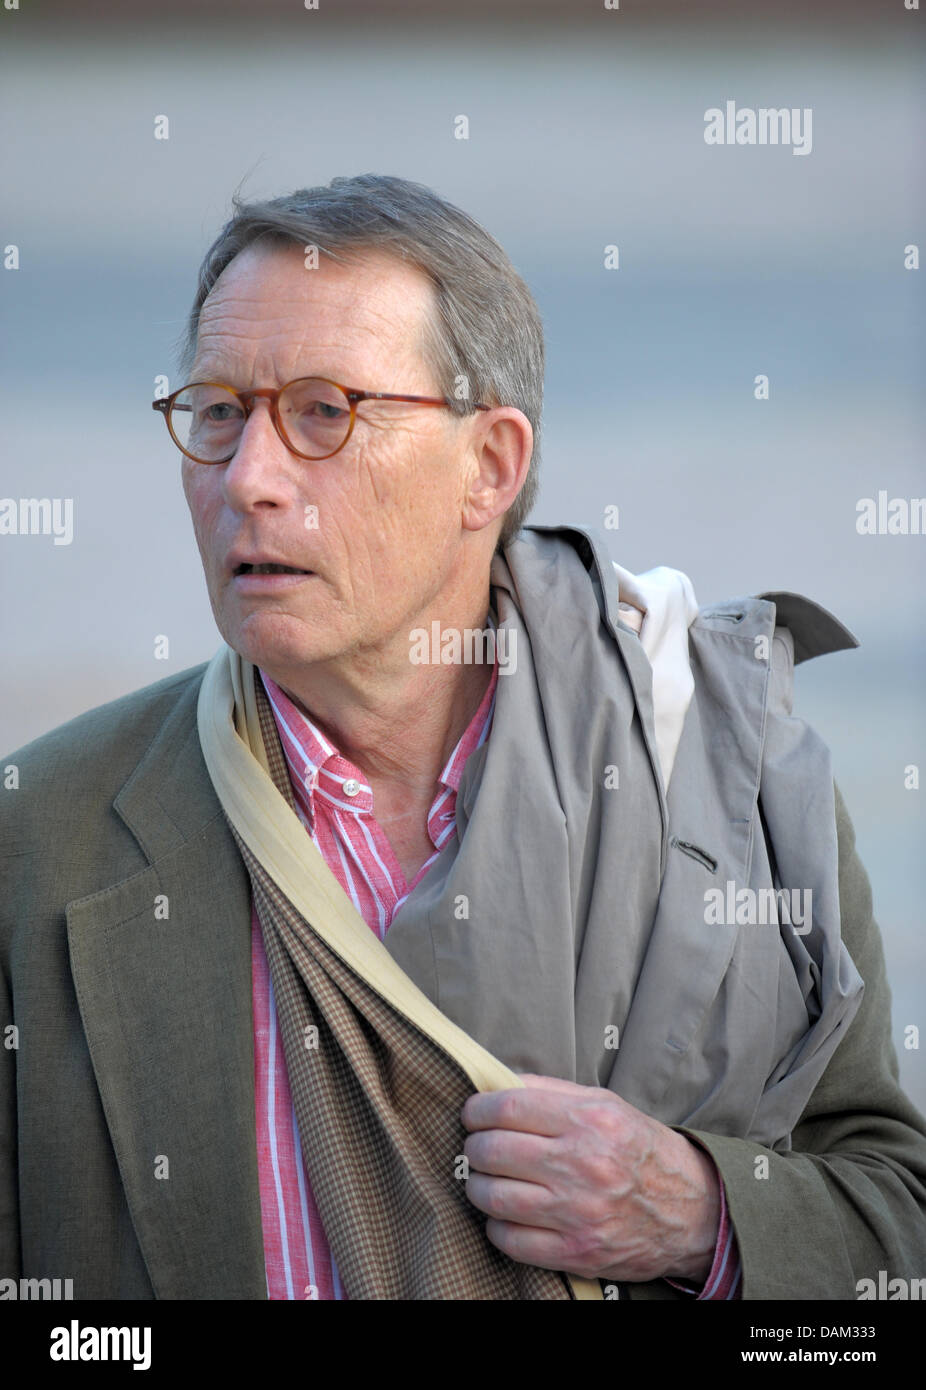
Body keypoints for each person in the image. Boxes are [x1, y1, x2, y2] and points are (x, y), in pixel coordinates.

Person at [2, 173, 925, 1302]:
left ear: (487, 464)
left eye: (323, 414)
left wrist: (699, 1214)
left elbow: (892, 1219)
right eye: (217, 413)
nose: (247, 479)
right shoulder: (40, 834)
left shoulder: (725, 783)